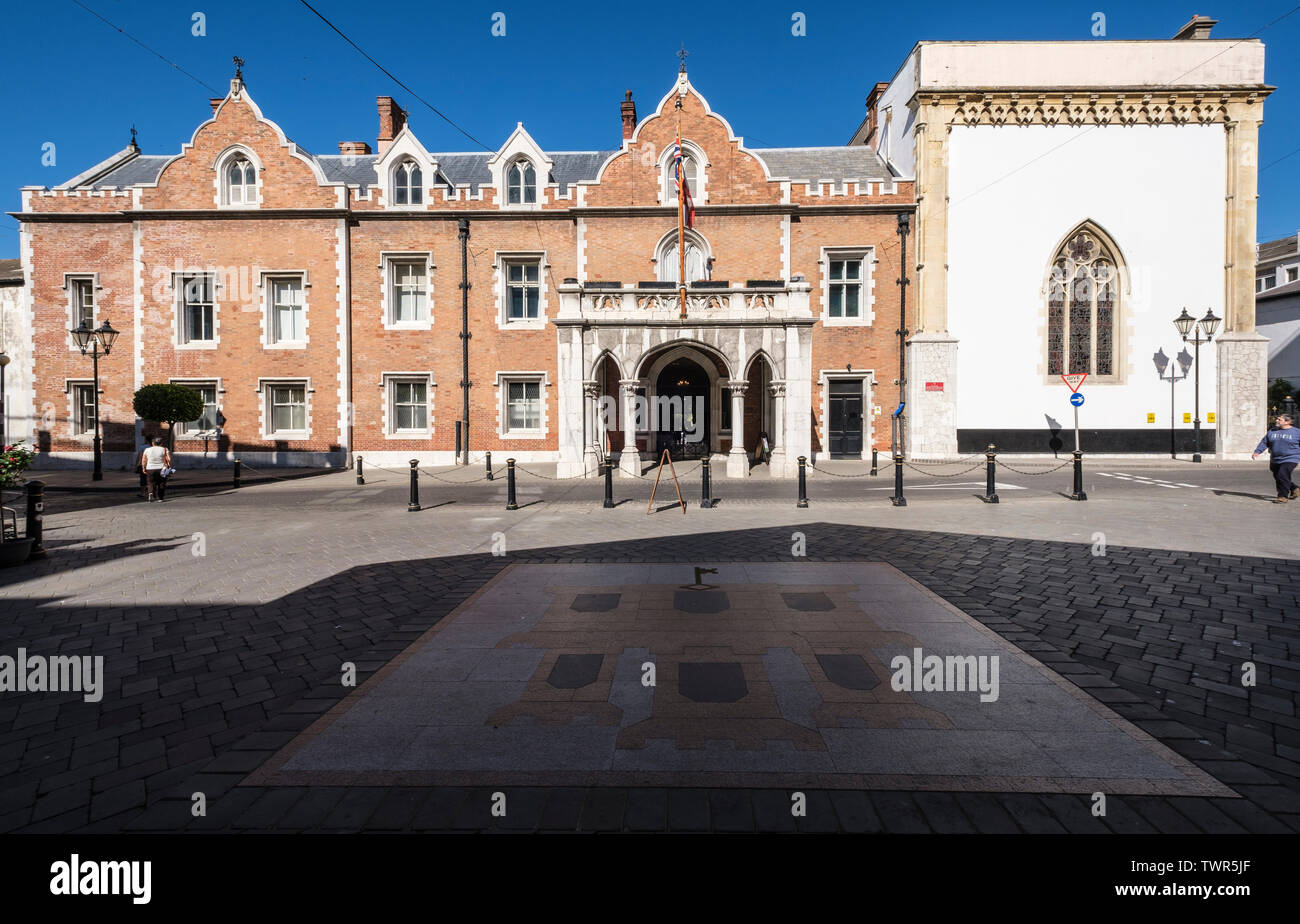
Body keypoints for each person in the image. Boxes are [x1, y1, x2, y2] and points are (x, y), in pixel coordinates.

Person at [1252, 413, 1299, 504]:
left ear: (1287, 422)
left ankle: (1282, 496)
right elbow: (1264, 442)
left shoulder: (1297, 432)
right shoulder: (1272, 431)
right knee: (1278, 476)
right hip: (1275, 458)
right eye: (1277, 419)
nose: (1276, 420)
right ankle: (1294, 488)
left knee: (1282, 475)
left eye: (1279, 419)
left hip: (1291, 458)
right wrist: (1257, 452)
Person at [142, 436, 170, 503]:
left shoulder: (147, 450)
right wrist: (169, 466)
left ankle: (150, 492)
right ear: (161, 443)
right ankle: (160, 498)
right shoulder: (165, 449)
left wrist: (143, 468)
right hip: (162, 468)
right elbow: (169, 459)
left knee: (150, 482)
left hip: (150, 468)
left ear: (153, 443)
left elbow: (144, 460)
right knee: (162, 483)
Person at [135, 433, 152, 499]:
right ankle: (151, 492)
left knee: (143, 479)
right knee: (151, 479)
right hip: (153, 465)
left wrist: (136, 466)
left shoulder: (143, 447)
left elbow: (140, 457)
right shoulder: (155, 447)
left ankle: (143, 493)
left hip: (144, 465)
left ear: (146, 440)